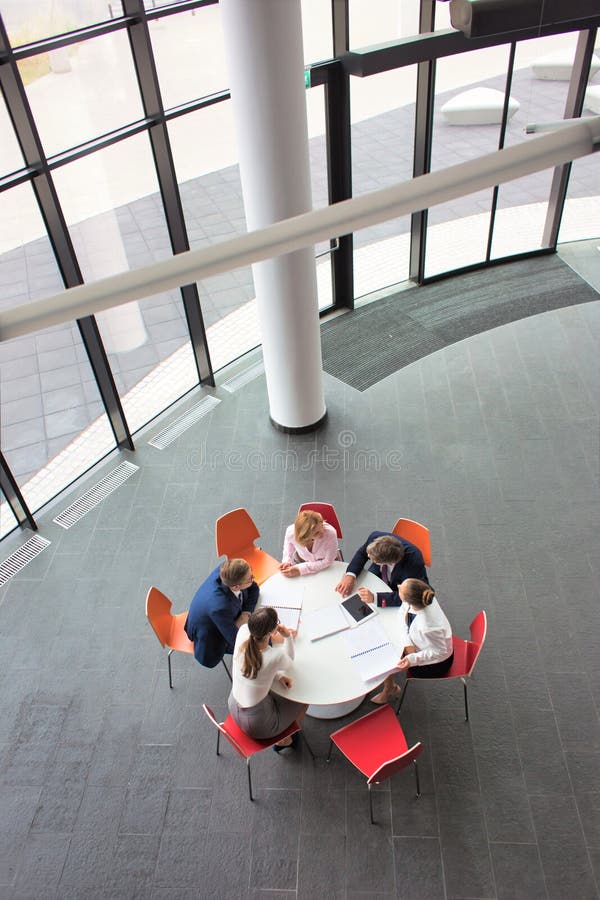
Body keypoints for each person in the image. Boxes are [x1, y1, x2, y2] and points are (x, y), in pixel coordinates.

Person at [228, 606, 308, 749]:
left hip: (234, 705)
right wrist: (287, 637)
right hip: (257, 725)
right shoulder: (274, 656)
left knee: (277, 689)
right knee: (304, 700)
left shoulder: (243, 631)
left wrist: (277, 675)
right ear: (270, 633)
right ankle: (284, 740)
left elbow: (256, 668)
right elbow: (289, 661)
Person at [371, 578, 453, 704]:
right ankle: (390, 685)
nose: (398, 586)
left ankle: (389, 689)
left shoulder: (429, 627)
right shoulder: (420, 598)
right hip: (419, 644)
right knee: (388, 639)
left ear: (407, 599)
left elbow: (440, 652)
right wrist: (407, 643)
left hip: (434, 664)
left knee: (387, 654)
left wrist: (412, 658)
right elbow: (401, 614)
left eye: (401, 589)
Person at [184, 559, 258, 668]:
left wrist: (245, 613)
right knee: (255, 652)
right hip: (211, 637)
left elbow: (254, 589)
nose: (253, 579)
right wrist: (268, 640)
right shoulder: (220, 607)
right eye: (250, 578)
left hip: (221, 615)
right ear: (236, 587)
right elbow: (236, 640)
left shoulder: (228, 570)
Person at [334, 531, 428, 605]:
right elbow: (362, 554)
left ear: (387, 563)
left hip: (398, 587)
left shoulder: (413, 565)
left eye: (372, 559)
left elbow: (412, 595)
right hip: (379, 573)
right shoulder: (375, 537)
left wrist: (376, 598)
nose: (367, 556)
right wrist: (350, 575)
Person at [280, 509, 339, 578]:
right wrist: (287, 561)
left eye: (322, 525)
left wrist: (300, 569)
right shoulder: (291, 532)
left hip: (328, 566)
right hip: (303, 560)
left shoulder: (330, 534)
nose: (322, 533)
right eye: (316, 533)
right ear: (305, 536)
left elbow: (328, 561)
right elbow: (288, 547)